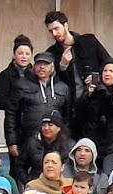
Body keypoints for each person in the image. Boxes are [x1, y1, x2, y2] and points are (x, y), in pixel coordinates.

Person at [8, 53, 71, 181]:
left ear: (52, 68)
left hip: (55, 141)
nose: (41, 67)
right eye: (39, 64)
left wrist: (64, 137)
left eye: (45, 64)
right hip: (27, 140)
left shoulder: (62, 88)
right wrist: (12, 141)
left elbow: (67, 116)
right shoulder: (21, 85)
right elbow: (11, 114)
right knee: (21, 170)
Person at [43, 11, 112, 120]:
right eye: (51, 31)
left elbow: (109, 64)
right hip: (71, 108)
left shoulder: (89, 42)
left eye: (56, 28)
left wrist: (96, 77)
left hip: (96, 103)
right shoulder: (52, 53)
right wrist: (62, 66)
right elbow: (51, 82)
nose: (54, 34)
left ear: (66, 26)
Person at [75, 59, 113, 179]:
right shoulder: (93, 90)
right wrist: (88, 96)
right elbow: (79, 112)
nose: (107, 74)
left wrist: (108, 96)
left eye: (111, 71)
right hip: (94, 146)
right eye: (105, 71)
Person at [19, 112, 73, 188]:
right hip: (37, 185)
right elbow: (20, 166)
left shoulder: (69, 145)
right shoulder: (32, 143)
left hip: (61, 186)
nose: (46, 128)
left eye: (50, 125)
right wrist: (28, 181)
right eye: (43, 125)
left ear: (59, 128)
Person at [0, 35, 36, 117]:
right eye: (20, 53)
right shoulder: (5, 75)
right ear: (14, 55)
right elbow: (0, 101)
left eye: (27, 54)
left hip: (33, 118)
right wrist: (16, 102)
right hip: (13, 118)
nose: (24, 57)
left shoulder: (36, 74)